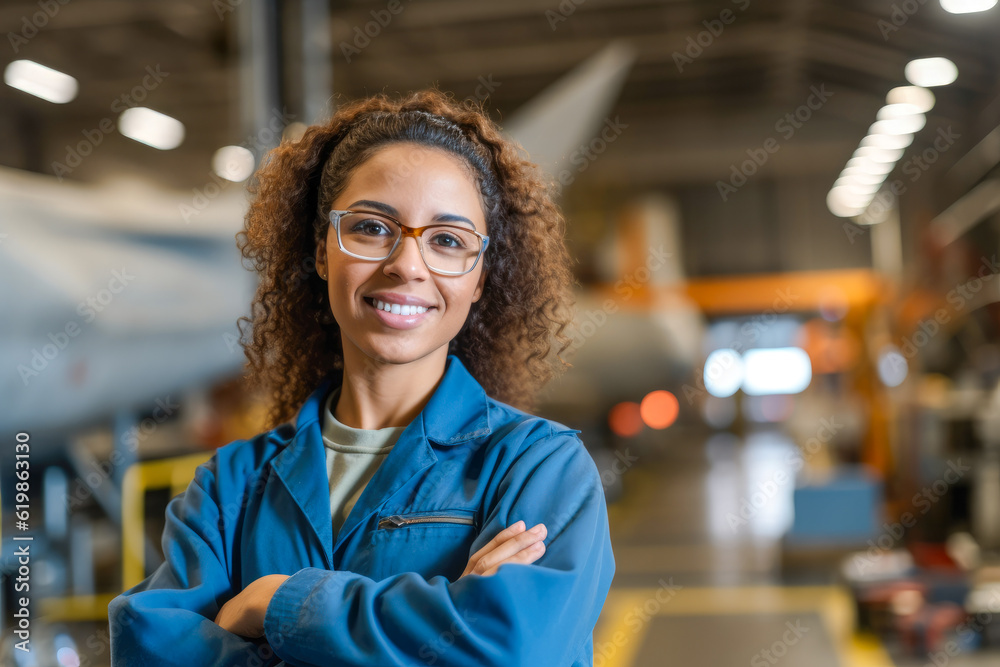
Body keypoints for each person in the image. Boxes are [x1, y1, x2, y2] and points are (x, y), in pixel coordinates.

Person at [108, 88, 616, 666]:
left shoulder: (538, 469)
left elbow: (510, 649)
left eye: (448, 241)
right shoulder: (233, 485)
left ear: (479, 279)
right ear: (323, 251)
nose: (406, 264)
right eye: (372, 228)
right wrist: (444, 625)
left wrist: (276, 604)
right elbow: (146, 644)